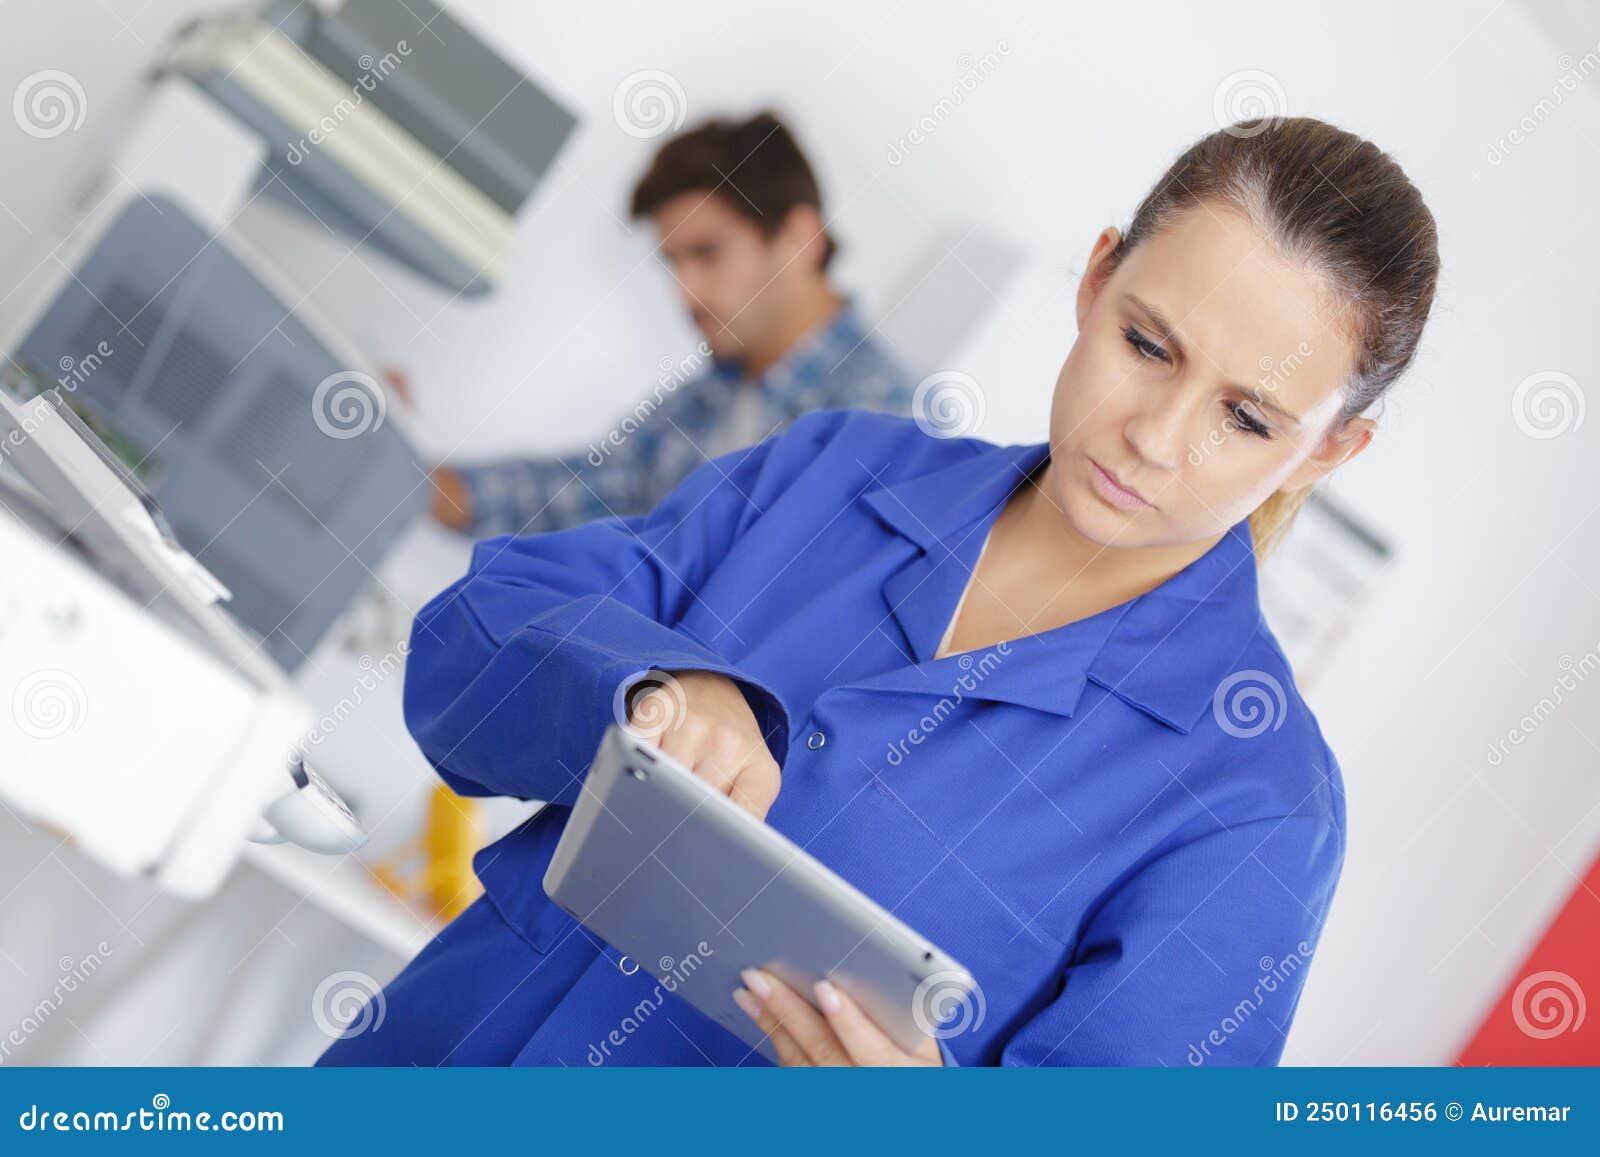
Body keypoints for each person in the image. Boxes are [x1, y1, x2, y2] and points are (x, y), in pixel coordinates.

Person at [320, 116, 1438, 1067]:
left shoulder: (1252, 801)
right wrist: (650, 684)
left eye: (1245, 418)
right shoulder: (836, 472)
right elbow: (474, 640)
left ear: (1327, 452)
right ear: (1095, 279)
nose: (1155, 435)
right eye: (1146, 343)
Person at [428, 111, 913, 538]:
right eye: (673, 264)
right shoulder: (715, 392)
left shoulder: (884, 425)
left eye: (706, 254)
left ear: (799, 238)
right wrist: (418, 484)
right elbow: (592, 490)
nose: (685, 294)